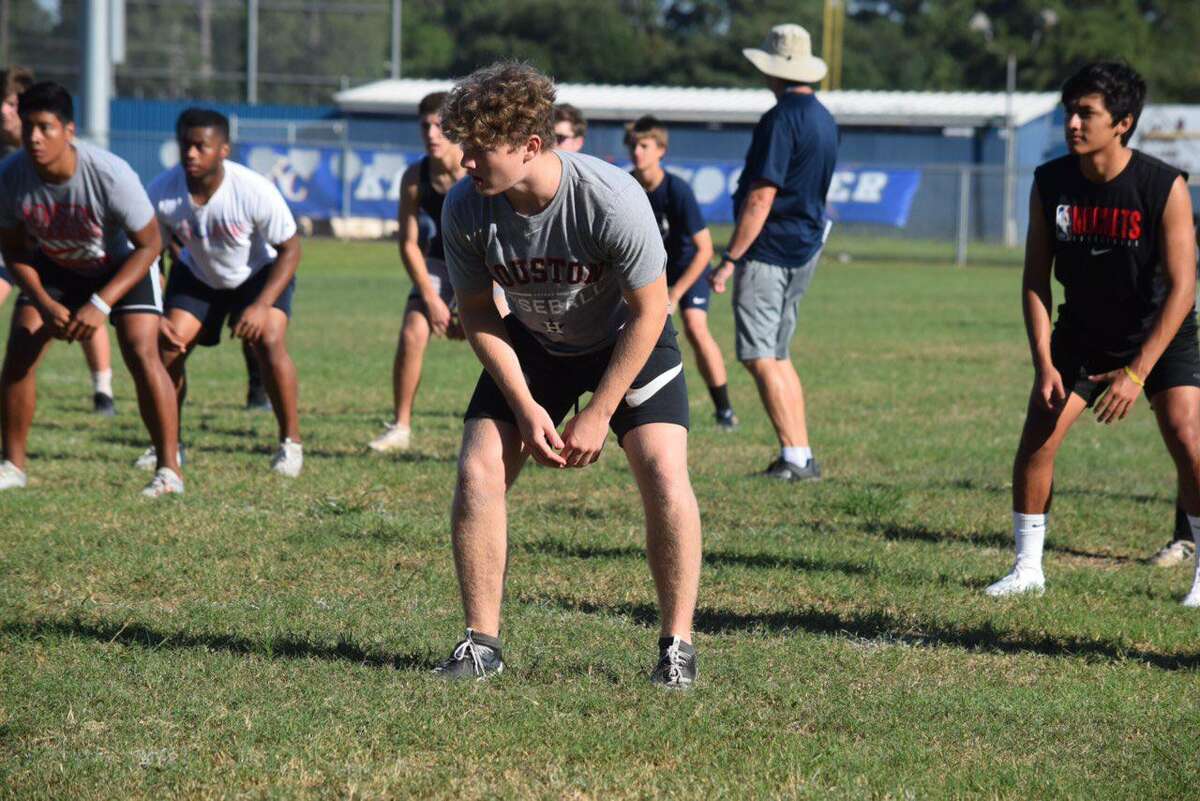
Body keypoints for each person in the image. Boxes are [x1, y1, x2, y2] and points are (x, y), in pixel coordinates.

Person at [434, 62, 702, 687]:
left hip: (626, 340)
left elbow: (650, 311)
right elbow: (478, 313)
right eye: (463, 147)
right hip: (533, 340)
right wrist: (525, 404)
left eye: (479, 149)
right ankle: (480, 645)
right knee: (478, 469)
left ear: (531, 146)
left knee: (664, 471)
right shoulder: (465, 205)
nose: (465, 162)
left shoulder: (610, 198)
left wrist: (600, 411)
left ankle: (677, 646)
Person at [985, 62, 1200, 607]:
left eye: (1087, 113)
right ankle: (1027, 569)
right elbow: (1035, 280)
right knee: (1039, 439)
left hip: (1158, 334)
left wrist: (1137, 373)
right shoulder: (1050, 182)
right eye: (1069, 112)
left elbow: (1183, 289)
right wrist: (1044, 363)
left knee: (1188, 438)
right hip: (1082, 334)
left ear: (1122, 123)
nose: (1073, 124)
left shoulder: (1164, 185)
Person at [0, 82, 182, 496]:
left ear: (69, 130)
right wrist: (43, 302)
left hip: (121, 266)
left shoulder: (110, 174)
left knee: (141, 350)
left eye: (45, 127)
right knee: (20, 351)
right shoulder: (10, 177)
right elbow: (13, 250)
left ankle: (169, 470)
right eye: (27, 127)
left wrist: (101, 303)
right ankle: (13, 466)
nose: (34, 137)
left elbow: (150, 245)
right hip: (56, 265)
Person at [143, 109, 303, 476]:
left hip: (257, 275)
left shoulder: (253, 190)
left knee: (269, 339)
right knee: (168, 347)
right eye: (185, 145)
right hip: (199, 276)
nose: (191, 154)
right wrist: (156, 308)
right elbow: (149, 254)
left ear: (224, 150)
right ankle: (167, 445)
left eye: (201, 146)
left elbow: (291, 249)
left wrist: (262, 305)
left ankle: (290, 443)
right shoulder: (162, 192)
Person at [710, 24, 838, 481]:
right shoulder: (824, 117)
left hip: (770, 249)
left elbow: (762, 196)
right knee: (779, 354)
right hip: (805, 244)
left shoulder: (781, 118)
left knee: (758, 354)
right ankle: (802, 453)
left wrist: (730, 259)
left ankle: (794, 457)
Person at [0, 66, 116, 416]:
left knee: (84, 309)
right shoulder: (9, 158)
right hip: (13, 241)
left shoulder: (61, 151)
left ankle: (103, 389)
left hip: (55, 243)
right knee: (24, 336)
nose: (4, 111)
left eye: (10, 103)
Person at [368, 92, 468, 453]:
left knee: (509, 337)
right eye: (425, 126)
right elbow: (409, 244)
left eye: (440, 126)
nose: (432, 134)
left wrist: (473, 307)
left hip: (487, 263)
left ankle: (523, 420)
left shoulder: (477, 169)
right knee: (412, 331)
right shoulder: (415, 177)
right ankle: (401, 427)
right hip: (440, 261)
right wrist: (432, 299)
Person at [626, 115, 738, 429]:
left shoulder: (677, 190)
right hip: (648, 274)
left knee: (695, 327)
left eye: (645, 146)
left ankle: (724, 410)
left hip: (687, 270)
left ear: (661, 150)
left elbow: (705, 250)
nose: (637, 152)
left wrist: (674, 293)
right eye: (633, 145)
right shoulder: (626, 186)